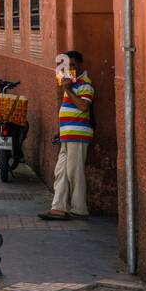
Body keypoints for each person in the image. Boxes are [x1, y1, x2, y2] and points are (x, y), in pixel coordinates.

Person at [40, 51, 94, 221]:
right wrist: (60, 130)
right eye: (67, 65)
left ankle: (79, 209)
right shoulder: (70, 83)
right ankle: (58, 208)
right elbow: (67, 109)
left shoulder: (85, 84)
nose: (70, 68)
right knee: (61, 172)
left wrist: (68, 89)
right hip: (67, 135)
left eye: (73, 65)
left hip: (79, 135)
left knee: (74, 172)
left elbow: (83, 106)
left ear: (80, 65)